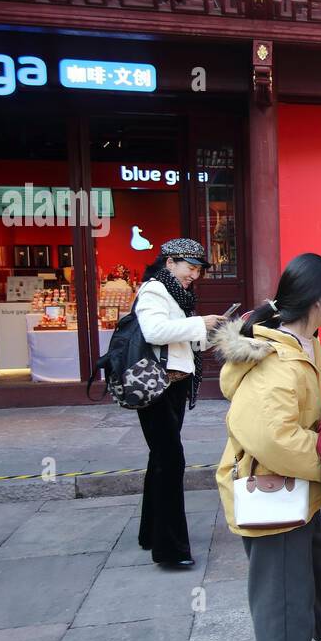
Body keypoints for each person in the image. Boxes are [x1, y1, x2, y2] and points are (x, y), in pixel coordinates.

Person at [212, 253, 321, 641]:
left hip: (297, 491)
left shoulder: (305, 345)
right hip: (272, 494)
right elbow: (273, 438)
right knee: (284, 593)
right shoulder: (278, 360)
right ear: (317, 302)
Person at [132, 238, 226, 568]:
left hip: (173, 385)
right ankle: (170, 551)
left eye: (199, 270)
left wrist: (214, 330)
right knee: (171, 461)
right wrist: (200, 323)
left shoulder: (178, 293)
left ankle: (150, 533)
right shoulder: (155, 289)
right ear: (170, 262)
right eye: (191, 268)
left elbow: (182, 338)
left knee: (161, 459)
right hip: (154, 386)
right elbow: (155, 331)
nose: (195, 275)